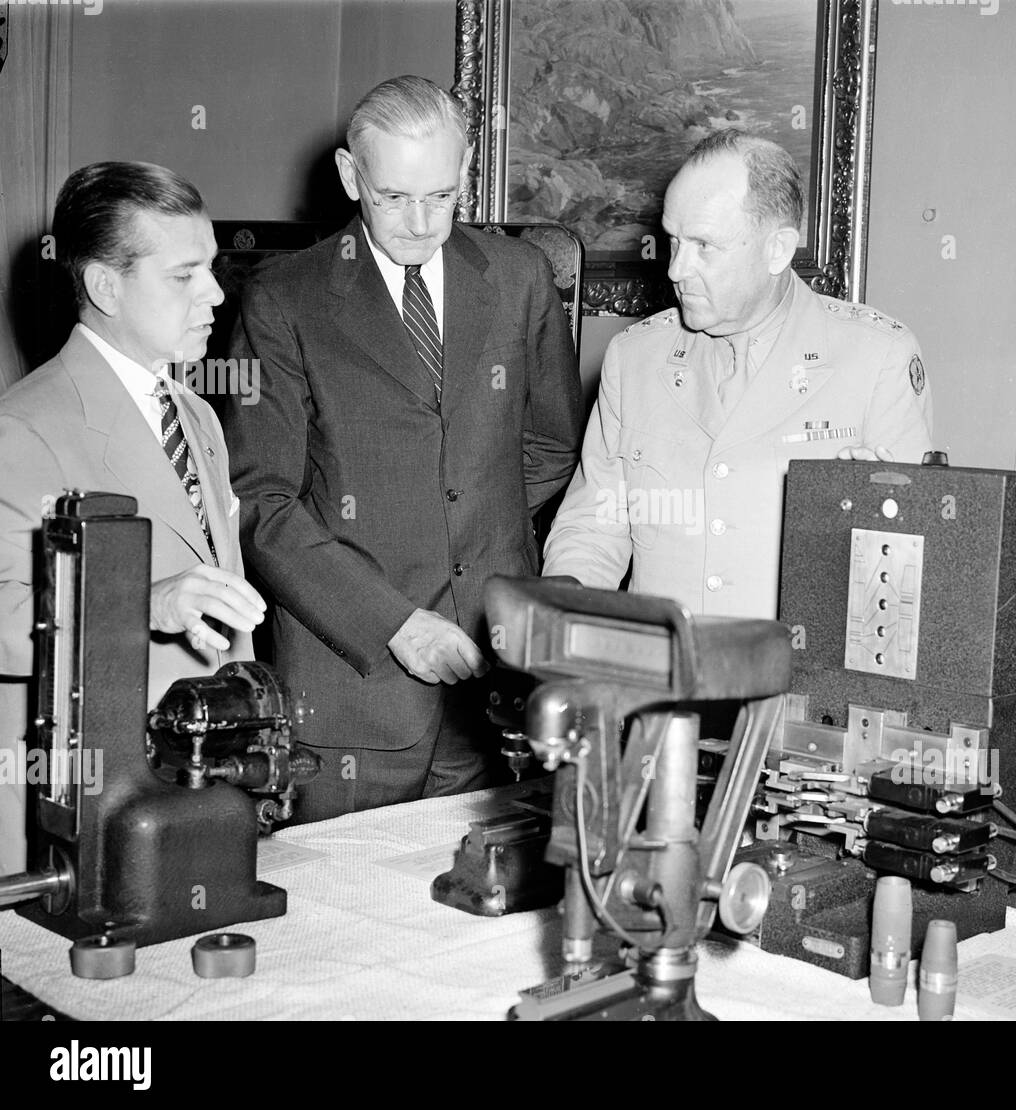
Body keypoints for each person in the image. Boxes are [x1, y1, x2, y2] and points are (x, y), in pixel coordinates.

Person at [225, 76, 583, 822]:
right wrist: (392, 620)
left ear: (468, 170)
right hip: (349, 689)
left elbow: (549, 445)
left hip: (491, 685)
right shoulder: (283, 298)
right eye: (392, 198)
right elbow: (262, 500)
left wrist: (477, 537)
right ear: (351, 177)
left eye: (443, 196)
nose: (421, 224)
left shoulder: (520, 278)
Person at [543, 129, 934, 618]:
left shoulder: (877, 359)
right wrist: (561, 626)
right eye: (673, 241)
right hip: (661, 682)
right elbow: (593, 527)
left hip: (799, 685)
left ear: (777, 249)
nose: (676, 269)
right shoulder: (635, 358)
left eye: (705, 245)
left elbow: (905, 579)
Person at [0, 162, 266, 873]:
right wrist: (145, 604)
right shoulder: (22, 429)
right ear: (104, 286)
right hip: (90, 813)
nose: (214, 294)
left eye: (212, 268)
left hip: (198, 786)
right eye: (184, 275)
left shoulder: (197, 415)